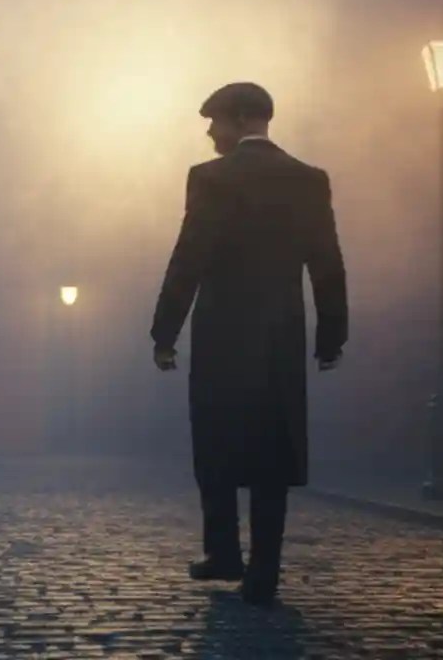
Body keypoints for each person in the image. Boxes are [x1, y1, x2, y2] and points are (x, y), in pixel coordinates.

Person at [150, 82, 347, 606]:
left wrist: (164, 333)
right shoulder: (308, 180)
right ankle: (264, 571)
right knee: (272, 453)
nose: (210, 134)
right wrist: (331, 337)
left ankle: (223, 551)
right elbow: (326, 264)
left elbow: (188, 260)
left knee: (215, 441)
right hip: (281, 334)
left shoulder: (210, 178)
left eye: (215, 122)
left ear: (238, 119)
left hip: (222, 333)